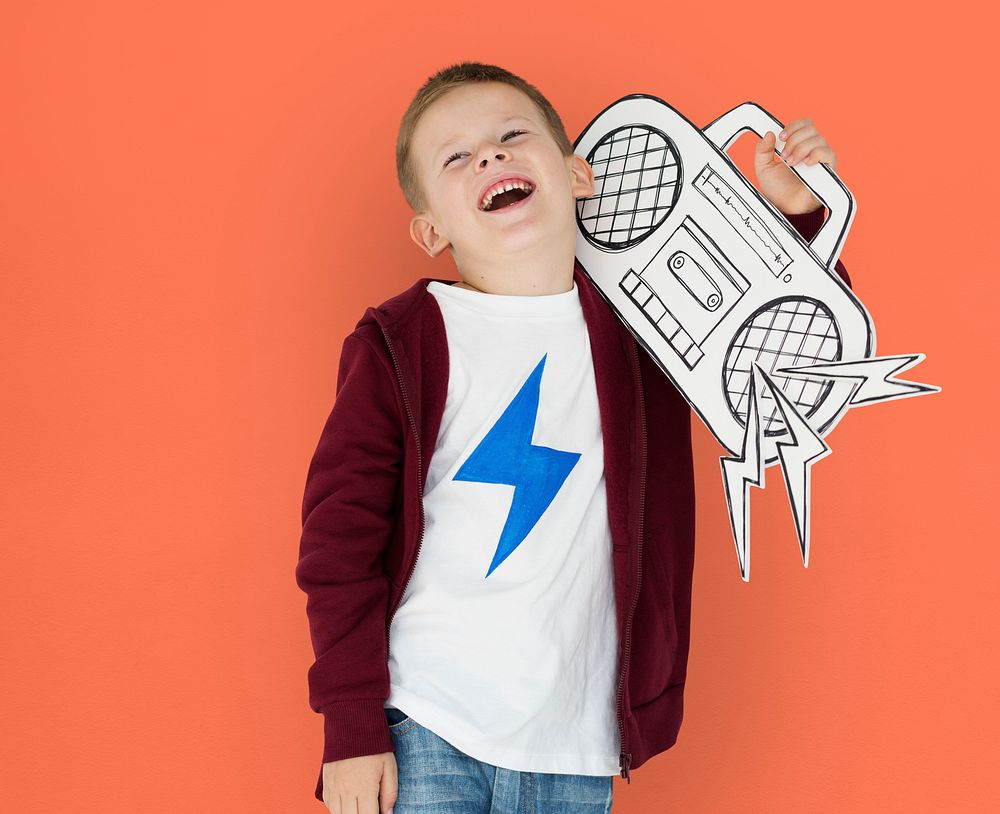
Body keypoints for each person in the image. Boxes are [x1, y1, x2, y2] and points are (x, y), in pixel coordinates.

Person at [295, 61, 850, 814]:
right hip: (423, 720)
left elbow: (789, 368)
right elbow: (338, 542)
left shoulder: (649, 333)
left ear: (577, 174)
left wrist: (793, 221)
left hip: (573, 746)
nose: (490, 156)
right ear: (430, 230)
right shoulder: (403, 342)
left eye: (512, 135)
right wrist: (352, 726)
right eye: (456, 157)